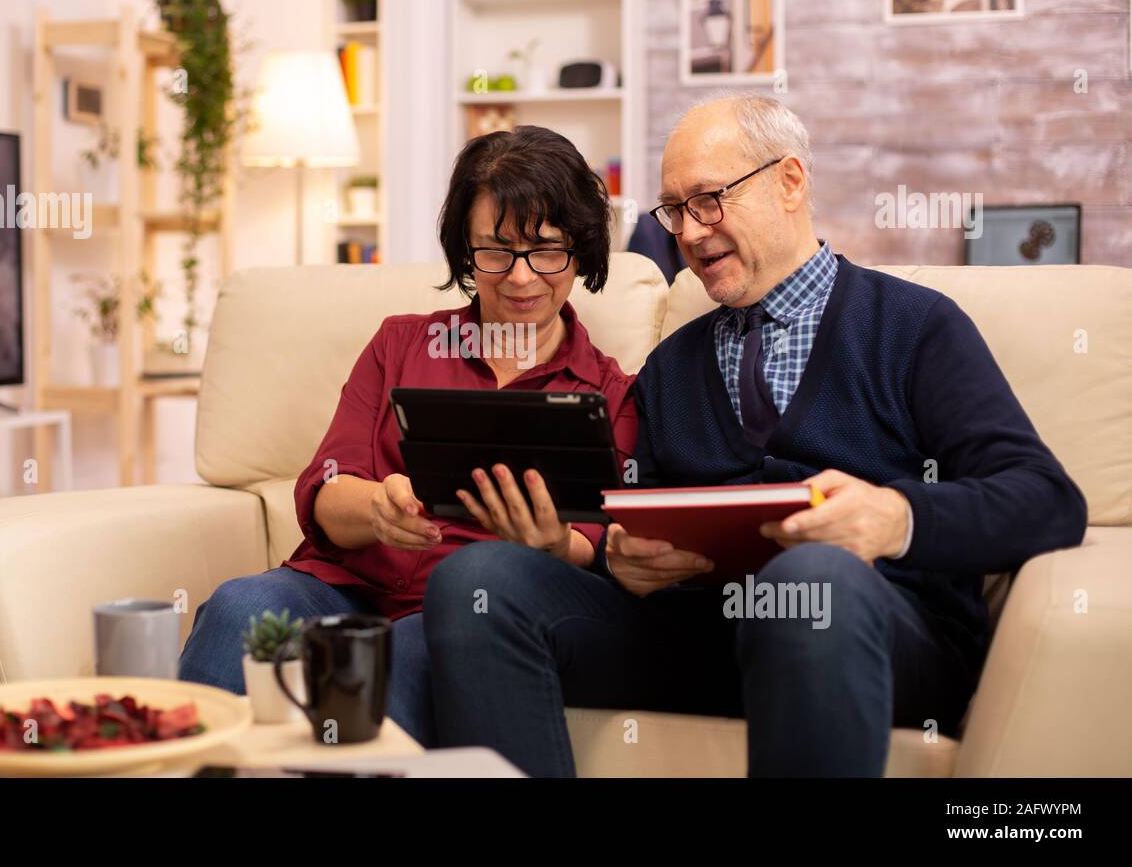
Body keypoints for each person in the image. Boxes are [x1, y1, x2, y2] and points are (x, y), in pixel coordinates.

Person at [423, 94, 1088, 776]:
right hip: (697, 637)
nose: (687, 230)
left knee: (811, 583)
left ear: (790, 182)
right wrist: (620, 557)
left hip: (873, 634)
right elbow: (634, 517)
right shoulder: (669, 369)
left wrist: (898, 517)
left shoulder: (915, 328)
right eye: (674, 210)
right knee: (479, 579)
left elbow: (1047, 500)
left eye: (708, 199)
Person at [178, 125, 638, 747]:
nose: (522, 277)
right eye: (496, 251)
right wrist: (376, 507)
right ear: (464, 252)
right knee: (238, 606)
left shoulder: (609, 391)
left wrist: (554, 543)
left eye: (547, 250)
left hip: (462, 614)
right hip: (343, 587)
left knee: (399, 655)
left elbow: (601, 544)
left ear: (580, 251)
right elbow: (324, 490)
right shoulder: (401, 344)